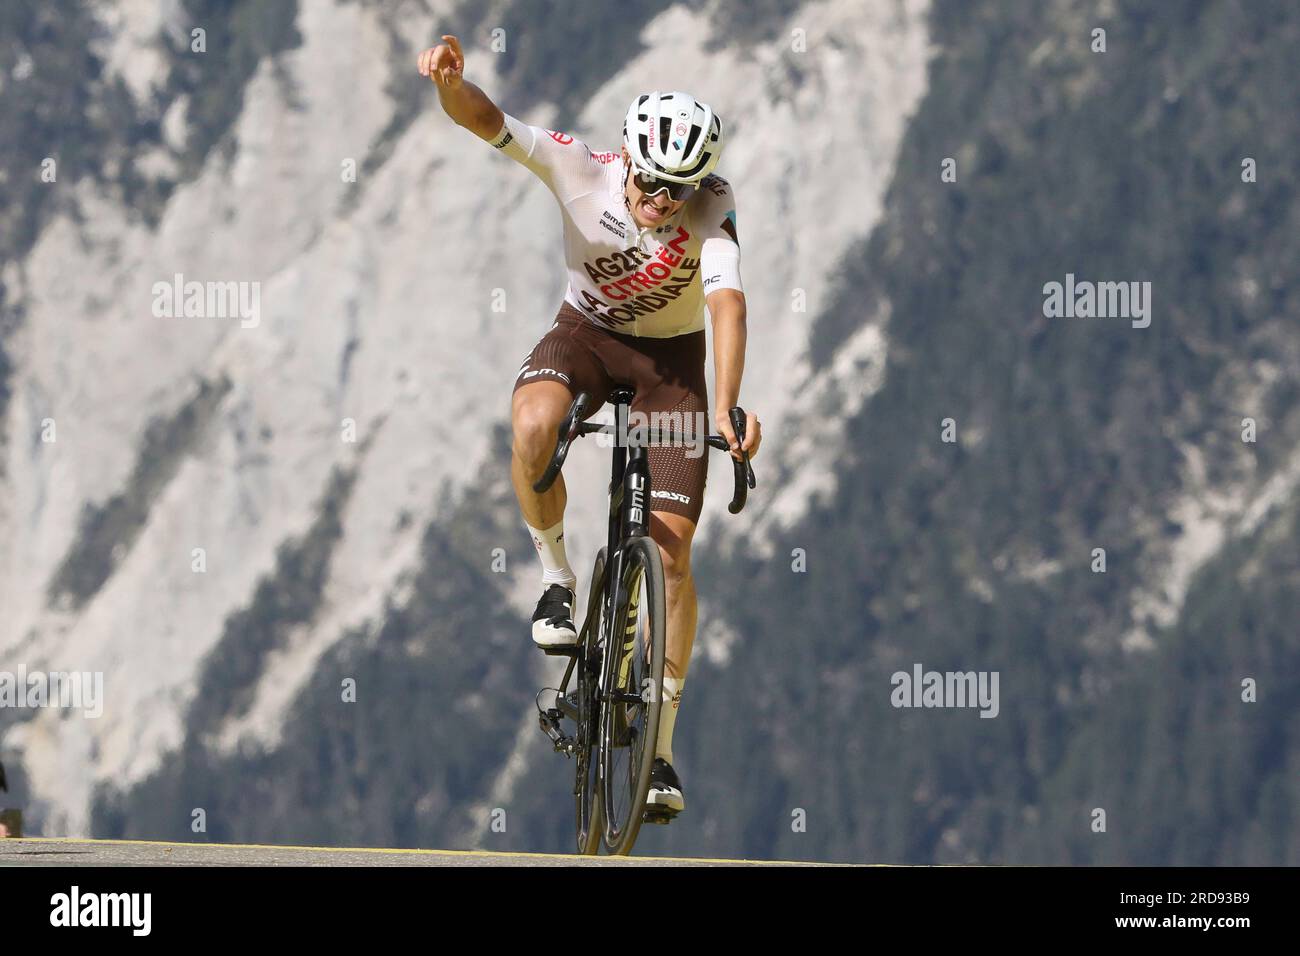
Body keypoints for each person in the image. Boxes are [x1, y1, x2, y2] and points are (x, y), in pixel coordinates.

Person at [420, 35, 761, 818]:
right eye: (652, 183)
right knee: (534, 424)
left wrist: (728, 406)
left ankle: (662, 748)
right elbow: (489, 121)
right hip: (585, 338)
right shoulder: (582, 168)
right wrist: (448, 83)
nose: (662, 202)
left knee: (673, 560)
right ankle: (557, 581)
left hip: (671, 371)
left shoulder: (712, 204)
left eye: (679, 189)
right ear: (627, 160)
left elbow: (727, 304)